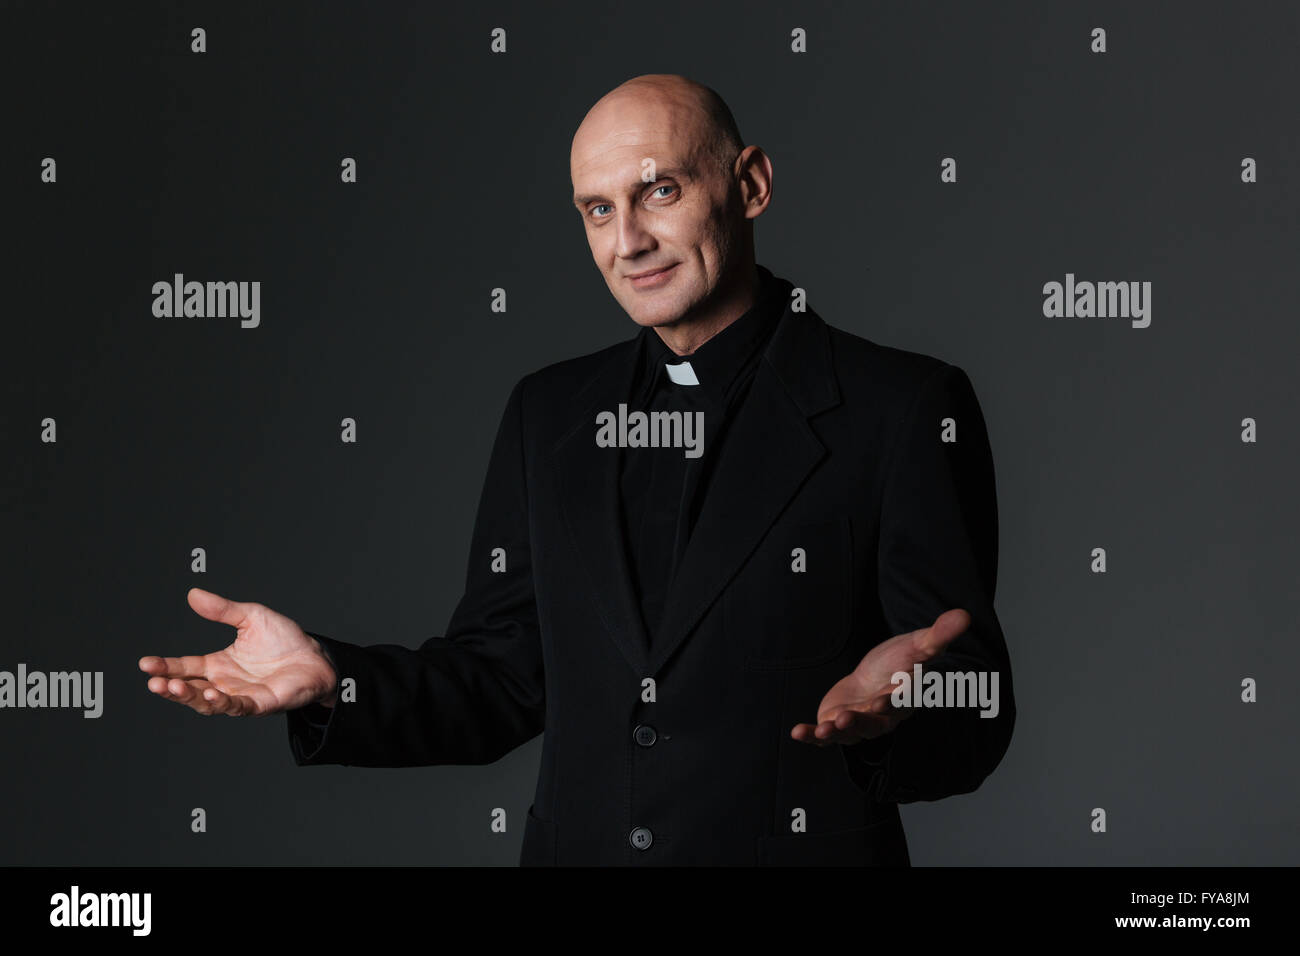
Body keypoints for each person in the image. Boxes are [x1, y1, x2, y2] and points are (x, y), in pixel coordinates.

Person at [140, 73, 1015, 866]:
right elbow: (505, 676)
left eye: (659, 191)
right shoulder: (548, 414)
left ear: (750, 185)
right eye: (597, 210)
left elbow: (974, 708)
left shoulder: (903, 408)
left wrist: (912, 704)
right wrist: (336, 678)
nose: (629, 240)